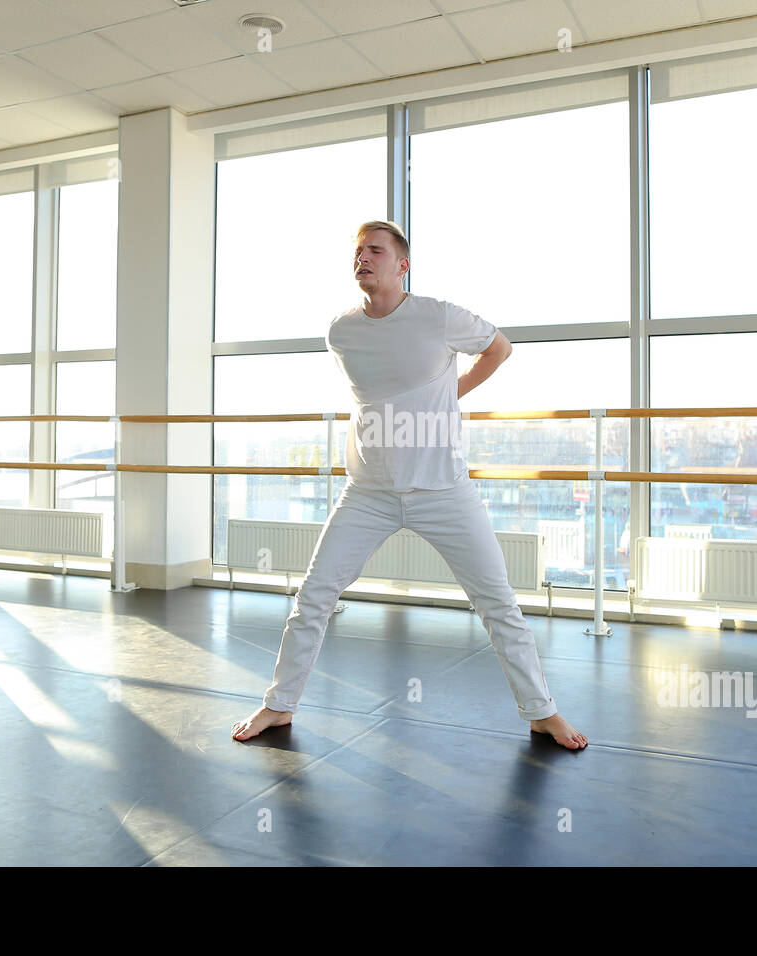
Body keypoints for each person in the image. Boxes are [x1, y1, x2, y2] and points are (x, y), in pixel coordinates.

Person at [231, 221, 587, 750]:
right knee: (313, 597)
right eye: (357, 252)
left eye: (376, 250)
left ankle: (541, 713)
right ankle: (278, 706)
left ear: (403, 265)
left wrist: (454, 391)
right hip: (368, 493)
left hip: (444, 491)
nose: (363, 258)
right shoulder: (341, 331)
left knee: (497, 603)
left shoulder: (439, 316)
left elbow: (500, 348)